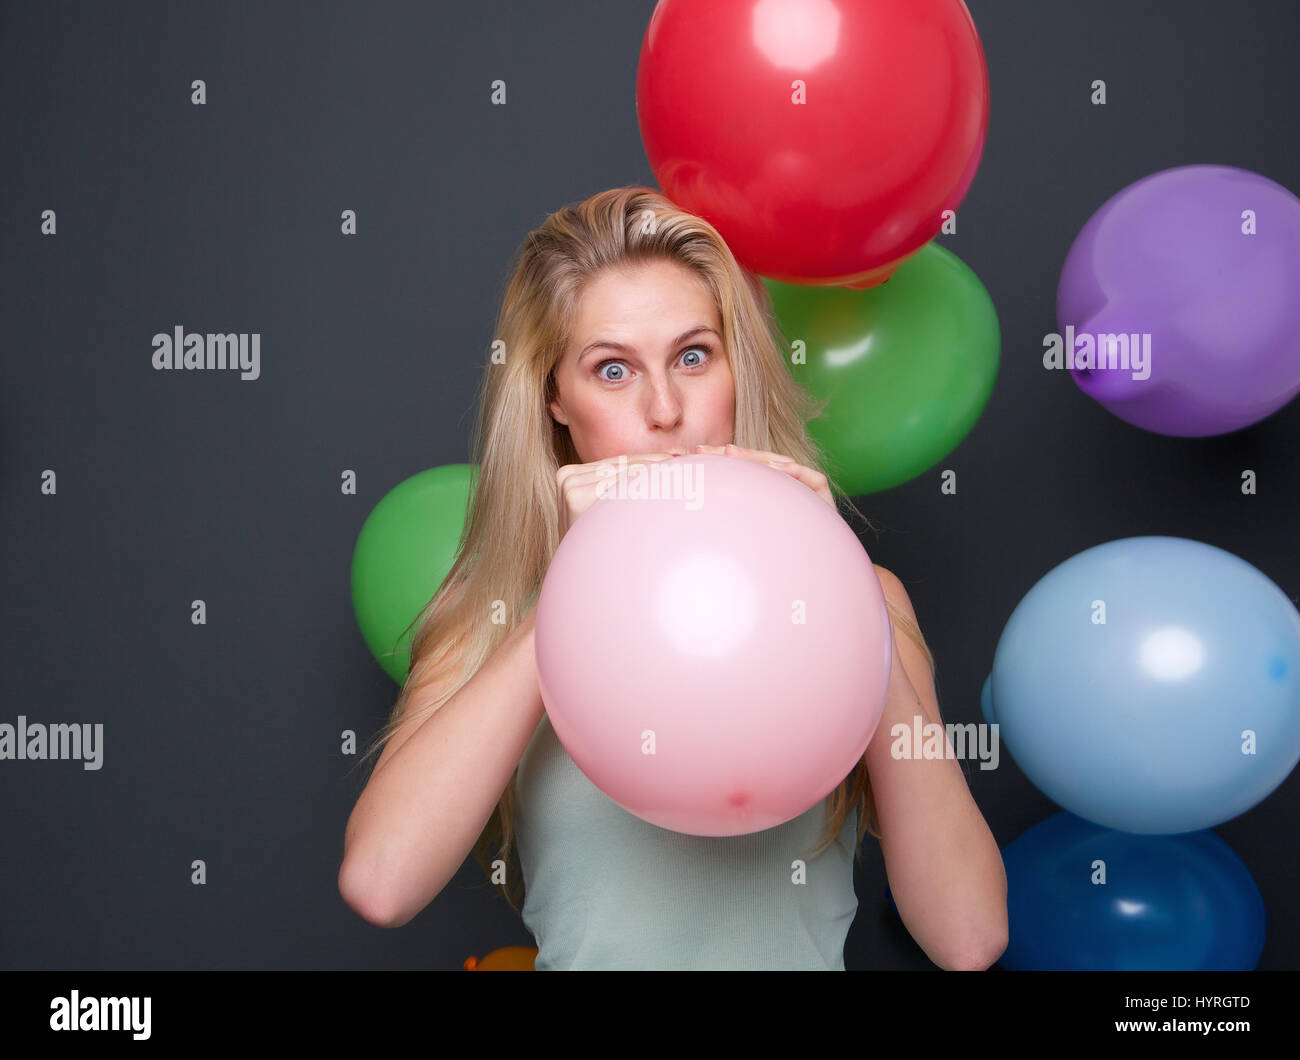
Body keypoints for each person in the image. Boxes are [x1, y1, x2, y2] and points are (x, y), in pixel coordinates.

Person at [338, 186, 1007, 970]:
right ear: (555, 397)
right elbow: (382, 884)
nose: (664, 409)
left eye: (694, 356)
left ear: (737, 368)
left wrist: (846, 588)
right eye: (613, 370)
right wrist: (562, 602)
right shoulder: (495, 612)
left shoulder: (862, 600)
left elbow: (969, 937)